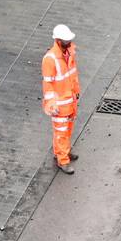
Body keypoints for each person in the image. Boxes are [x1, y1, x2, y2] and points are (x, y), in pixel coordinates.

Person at [42, 24, 80, 174]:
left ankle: (62, 152)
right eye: (65, 40)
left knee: (67, 130)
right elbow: (48, 84)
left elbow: (73, 75)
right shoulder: (50, 59)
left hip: (70, 101)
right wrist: (51, 104)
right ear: (58, 40)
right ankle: (63, 161)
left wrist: (76, 92)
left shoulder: (69, 53)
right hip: (59, 105)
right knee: (61, 133)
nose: (68, 42)